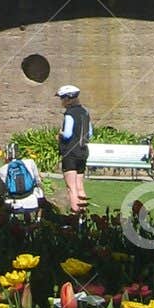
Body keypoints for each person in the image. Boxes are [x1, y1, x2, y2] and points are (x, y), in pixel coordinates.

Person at [56, 84, 92, 214]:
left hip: (70, 153)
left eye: (62, 98)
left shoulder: (69, 113)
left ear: (68, 98)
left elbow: (67, 134)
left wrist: (59, 133)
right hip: (83, 152)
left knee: (71, 188)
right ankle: (83, 215)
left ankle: (74, 216)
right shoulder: (85, 112)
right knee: (80, 186)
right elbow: (90, 133)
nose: (61, 101)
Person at [0, 145, 45, 218]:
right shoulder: (30, 162)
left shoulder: (1, 170)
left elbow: (1, 192)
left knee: (1, 199)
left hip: (13, 206)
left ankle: (7, 221)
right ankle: (38, 219)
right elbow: (38, 181)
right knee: (40, 190)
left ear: (6, 156)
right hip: (34, 204)